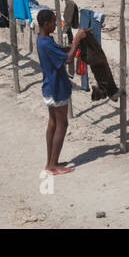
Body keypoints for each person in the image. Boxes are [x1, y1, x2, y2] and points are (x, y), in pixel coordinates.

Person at [37, 9, 86, 174]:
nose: (55, 24)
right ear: (45, 24)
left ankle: (51, 161)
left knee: (52, 123)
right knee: (62, 124)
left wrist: (71, 47)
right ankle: (52, 166)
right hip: (57, 87)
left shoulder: (43, 40)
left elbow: (60, 52)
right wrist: (77, 39)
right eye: (53, 21)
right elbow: (68, 59)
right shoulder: (46, 43)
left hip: (49, 87)